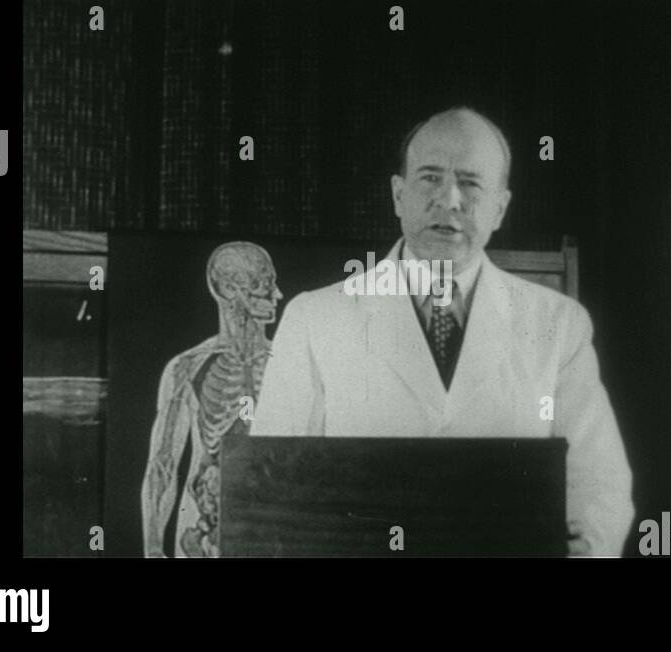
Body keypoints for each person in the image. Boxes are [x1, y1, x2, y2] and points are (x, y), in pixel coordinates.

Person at [251, 107, 633, 556]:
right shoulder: (314, 319)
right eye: (430, 178)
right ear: (398, 195)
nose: (449, 199)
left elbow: (599, 485)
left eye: (470, 183)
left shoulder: (558, 325)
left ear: (500, 208)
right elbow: (271, 488)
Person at [141, 242, 282, 557]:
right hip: (201, 532)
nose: (277, 295)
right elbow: (163, 464)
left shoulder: (291, 360)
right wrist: (152, 548)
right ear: (230, 289)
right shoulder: (187, 368)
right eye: (262, 284)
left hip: (273, 528)